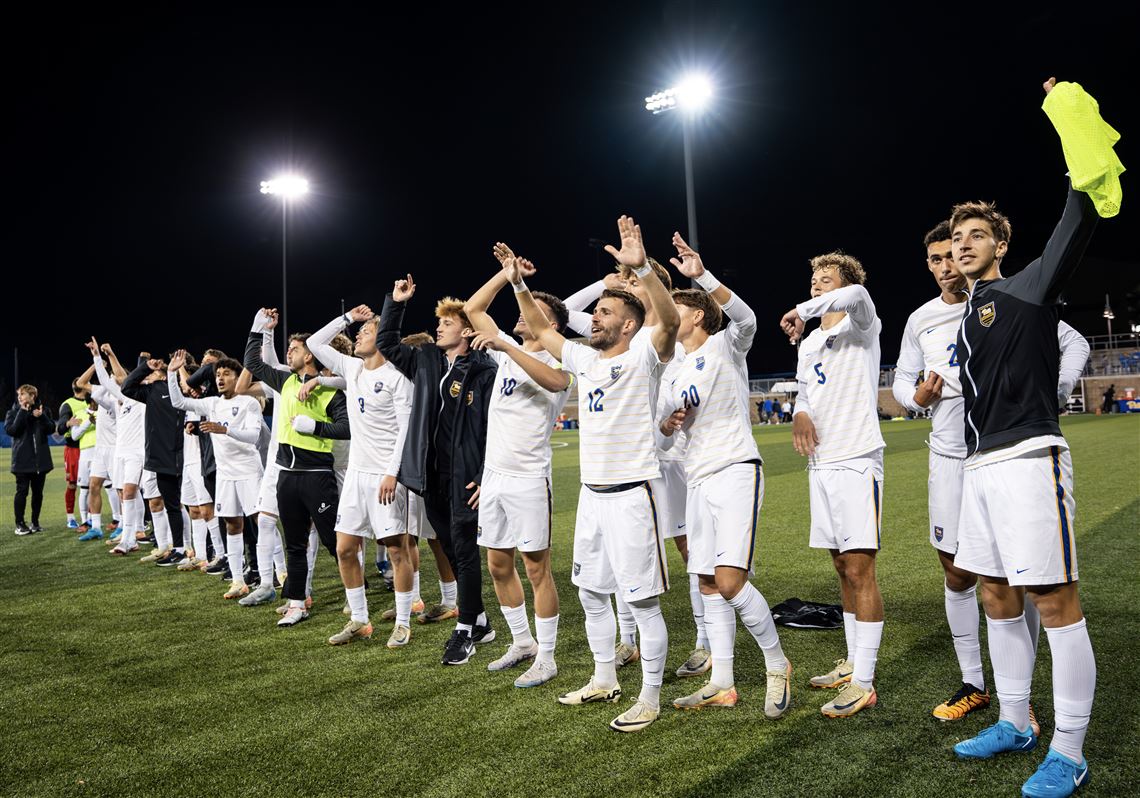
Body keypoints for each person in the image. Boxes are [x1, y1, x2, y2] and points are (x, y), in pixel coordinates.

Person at [947, 76, 1111, 798]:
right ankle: (1017, 719)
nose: (962, 245)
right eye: (955, 239)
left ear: (1002, 243)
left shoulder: (1031, 287)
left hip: (1028, 458)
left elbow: (1081, 211)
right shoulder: (965, 313)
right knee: (995, 595)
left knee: (1053, 600)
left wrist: (1066, 109)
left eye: (976, 235)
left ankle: (1070, 750)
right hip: (978, 468)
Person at [893, 221, 1092, 724]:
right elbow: (900, 383)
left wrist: (1058, 388)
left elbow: (1074, 342)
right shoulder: (923, 319)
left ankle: (1030, 709)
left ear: (996, 247)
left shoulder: (1010, 297)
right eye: (937, 257)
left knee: (1031, 580)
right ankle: (976, 683)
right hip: (954, 457)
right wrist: (915, 400)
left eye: (956, 248)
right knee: (971, 575)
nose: (947, 262)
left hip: (1016, 448)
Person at [509, 215, 678, 733]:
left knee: (643, 602)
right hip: (592, 495)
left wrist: (644, 268)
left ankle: (649, 695)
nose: (595, 318)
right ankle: (605, 677)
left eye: (605, 312)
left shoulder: (646, 353)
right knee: (589, 592)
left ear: (628, 324)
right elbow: (540, 328)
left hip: (633, 495)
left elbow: (668, 322)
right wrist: (517, 283)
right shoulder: (586, 360)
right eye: (597, 311)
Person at [662, 233, 792, 718]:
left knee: (730, 580)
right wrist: (666, 424)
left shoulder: (725, 345)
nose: (664, 316)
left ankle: (778, 664)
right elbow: (664, 437)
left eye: (673, 308)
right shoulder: (672, 370)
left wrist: (701, 275)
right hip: (696, 477)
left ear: (696, 314)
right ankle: (722, 681)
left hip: (736, 469)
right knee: (706, 582)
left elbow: (748, 318)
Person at [463, 242, 574, 687]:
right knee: (498, 564)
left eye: (528, 307)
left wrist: (507, 347)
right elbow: (473, 308)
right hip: (494, 476)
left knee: (536, 568)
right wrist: (509, 275)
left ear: (549, 323)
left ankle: (547, 657)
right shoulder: (508, 346)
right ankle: (523, 641)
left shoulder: (559, 357)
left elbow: (555, 382)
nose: (518, 310)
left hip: (530, 477)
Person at [780, 250, 885, 719]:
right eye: (813, 280)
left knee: (861, 570)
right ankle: (851, 660)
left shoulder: (862, 324)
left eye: (826, 280)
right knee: (841, 567)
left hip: (857, 458)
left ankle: (864, 681)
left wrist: (803, 309)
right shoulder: (808, 344)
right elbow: (805, 390)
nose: (817, 285)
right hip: (820, 463)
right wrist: (800, 411)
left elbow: (858, 293)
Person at [377, 278, 497, 665]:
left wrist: (484, 471)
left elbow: (490, 427)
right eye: (439, 323)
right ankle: (479, 620)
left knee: (464, 550)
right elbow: (387, 344)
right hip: (431, 476)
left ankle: (465, 630)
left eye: (447, 323)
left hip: (465, 474)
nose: (439, 328)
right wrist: (395, 304)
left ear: (466, 330)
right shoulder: (425, 359)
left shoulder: (482, 368)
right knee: (449, 546)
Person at [306, 306, 416, 648]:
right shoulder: (352, 368)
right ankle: (360, 619)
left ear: (382, 339)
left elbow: (405, 431)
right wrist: (347, 318)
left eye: (366, 332)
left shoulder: (398, 378)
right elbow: (314, 341)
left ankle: (402, 622)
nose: (358, 336)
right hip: (355, 476)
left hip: (385, 477)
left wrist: (392, 473)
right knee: (344, 548)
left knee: (397, 551)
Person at [244, 309, 351, 628]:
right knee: (294, 543)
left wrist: (314, 426)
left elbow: (346, 428)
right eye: (288, 347)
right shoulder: (286, 380)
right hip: (286, 474)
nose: (289, 351)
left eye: (295, 348)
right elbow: (254, 364)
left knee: (336, 542)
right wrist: (257, 327)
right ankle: (296, 602)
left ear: (310, 355)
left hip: (318, 475)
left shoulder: (330, 388)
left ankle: (354, 593)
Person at [167, 352, 265, 599]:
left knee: (261, 523)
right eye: (218, 375)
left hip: (249, 471)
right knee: (232, 525)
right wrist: (171, 373)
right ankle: (238, 581)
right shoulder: (212, 403)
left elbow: (253, 437)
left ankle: (272, 575)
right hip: (225, 475)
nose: (220, 379)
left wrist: (225, 429)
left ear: (237, 377)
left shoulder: (249, 402)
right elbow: (179, 402)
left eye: (226, 374)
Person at [122, 351, 187, 566]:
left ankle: (195, 548)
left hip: (184, 456)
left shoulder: (182, 389)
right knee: (172, 506)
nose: (148, 378)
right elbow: (127, 387)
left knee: (191, 506)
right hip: (160, 457)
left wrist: (174, 372)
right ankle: (178, 548)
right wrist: (145, 367)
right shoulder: (151, 391)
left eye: (153, 373)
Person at [7, 385, 54, 535]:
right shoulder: (13, 412)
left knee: (38, 493)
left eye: (23, 394)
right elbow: (12, 430)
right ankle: (20, 524)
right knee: (22, 492)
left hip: (40, 461)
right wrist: (22, 411)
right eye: (19, 395)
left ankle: (35, 522)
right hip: (21, 460)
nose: (20, 397)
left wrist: (42, 416)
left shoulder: (43, 411)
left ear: (32, 396)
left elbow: (52, 429)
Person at [57, 378, 92, 528]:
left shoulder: (91, 401)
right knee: (72, 484)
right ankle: (70, 517)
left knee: (92, 484)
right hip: (73, 449)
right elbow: (60, 429)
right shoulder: (68, 404)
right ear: (82, 387)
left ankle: (91, 516)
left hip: (90, 447)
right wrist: (68, 423)